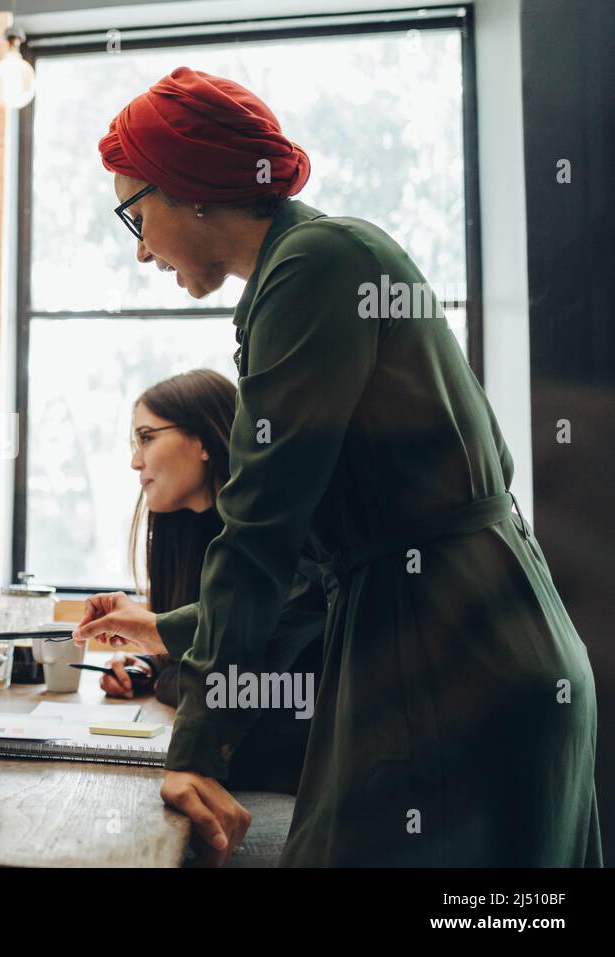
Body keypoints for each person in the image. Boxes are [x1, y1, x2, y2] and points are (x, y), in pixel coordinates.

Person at [72, 67, 601, 867]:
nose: (140, 248)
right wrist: (171, 628)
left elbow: (260, 533)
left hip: (449, 650)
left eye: (134, 214)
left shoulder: (314, 266)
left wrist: (197, 749)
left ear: (195, 188)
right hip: (468, 631)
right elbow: (309, 565)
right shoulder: (316, 262)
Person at [99, 370, 325, 798]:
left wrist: (175, 674)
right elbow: (205, 654)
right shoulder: (189, 534)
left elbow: (241, 680)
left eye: (146, 438)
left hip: (284, 780)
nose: (135, 461)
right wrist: (148, 667)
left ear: (203, 441)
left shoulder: (270, 542)